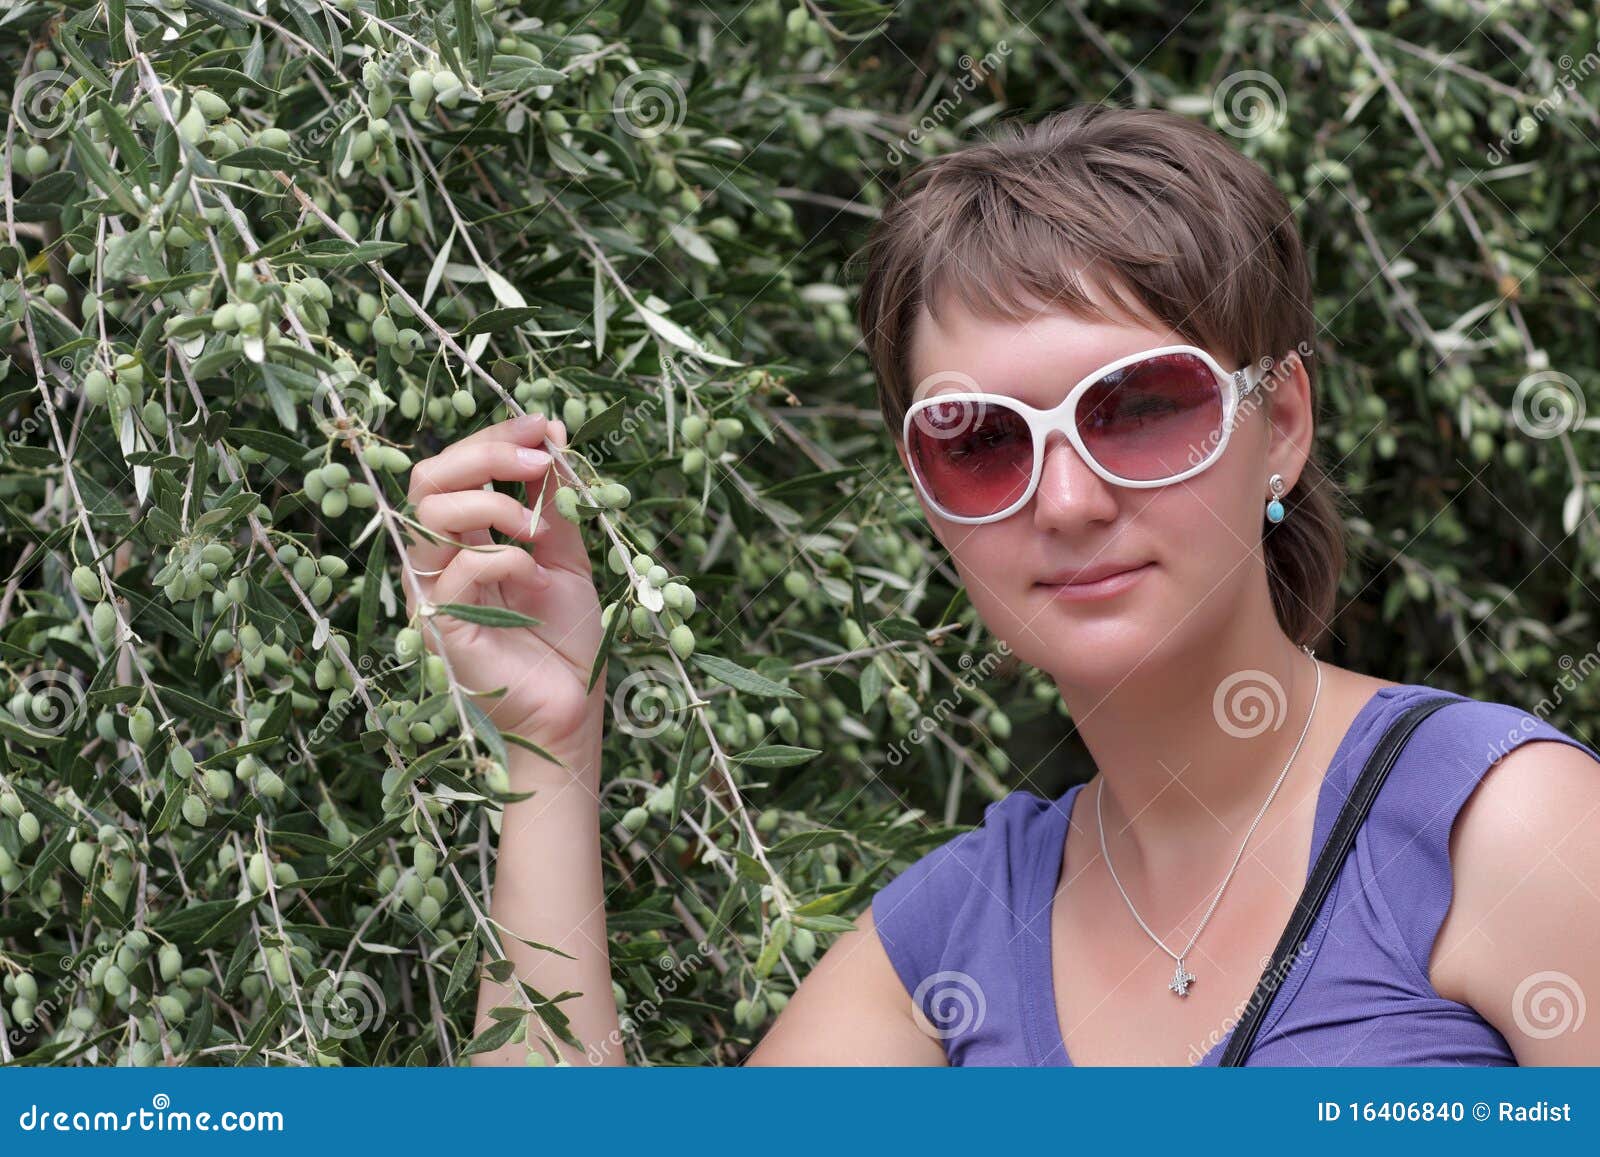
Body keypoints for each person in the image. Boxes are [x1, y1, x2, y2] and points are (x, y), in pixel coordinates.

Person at [406, 105, 1600, 1066]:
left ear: (1277, 423)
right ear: (928, 497)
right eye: (979, 440)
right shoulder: (951, 942)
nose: (1068, 500)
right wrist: (548, 750)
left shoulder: (1502, 828)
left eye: (1141, 408)